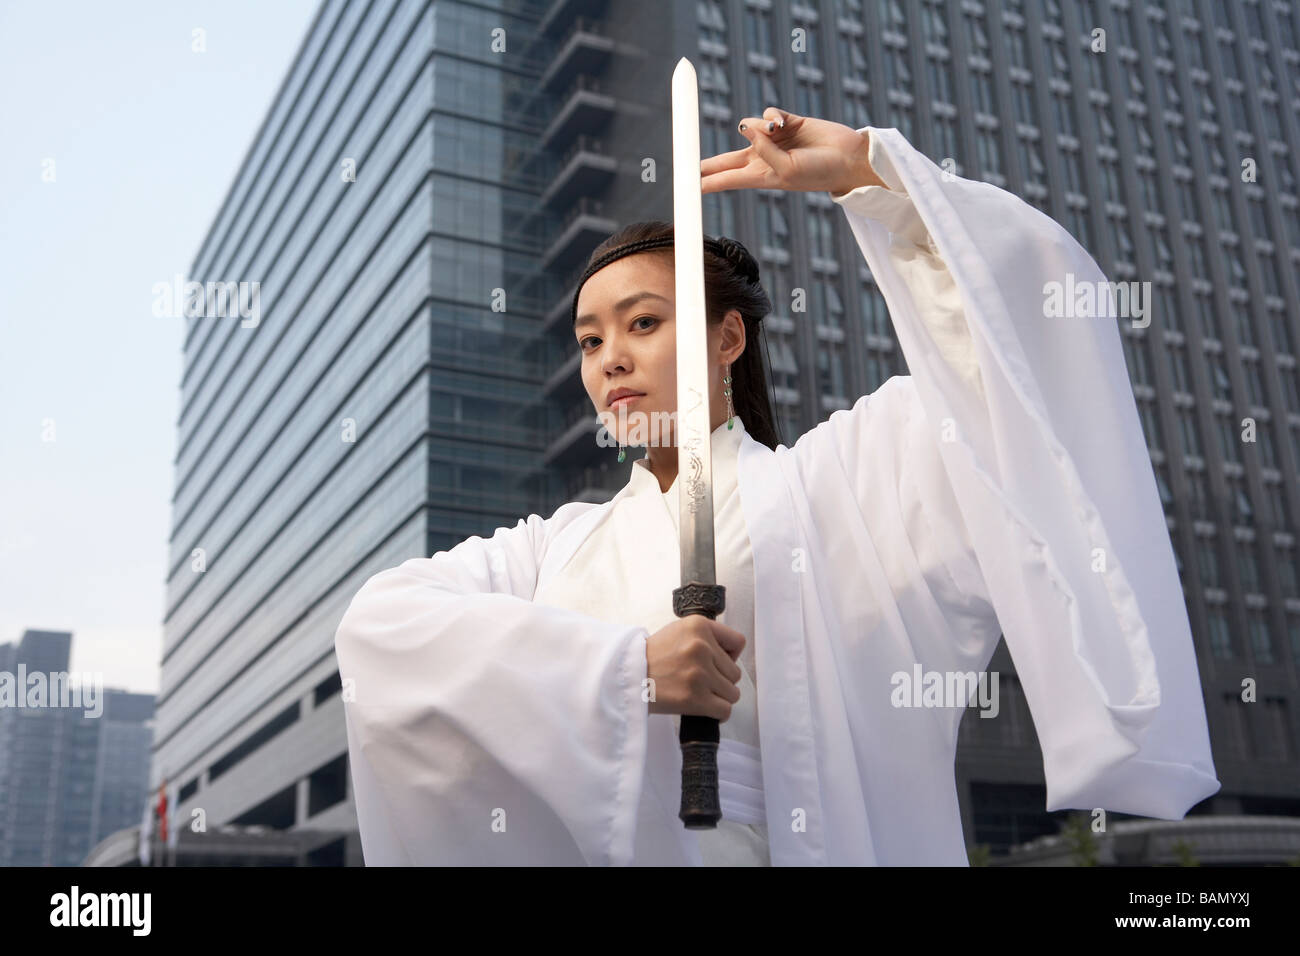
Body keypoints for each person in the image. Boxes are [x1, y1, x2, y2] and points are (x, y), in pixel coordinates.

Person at [333, 107, 1220, 866]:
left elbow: (1006, 367)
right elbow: (382, 630)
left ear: (728, 339)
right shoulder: (553, 547)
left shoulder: (831, 487)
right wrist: (621, 672)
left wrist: (873, 175)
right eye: (590, 340)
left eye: (643, 322)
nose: (611, 362)